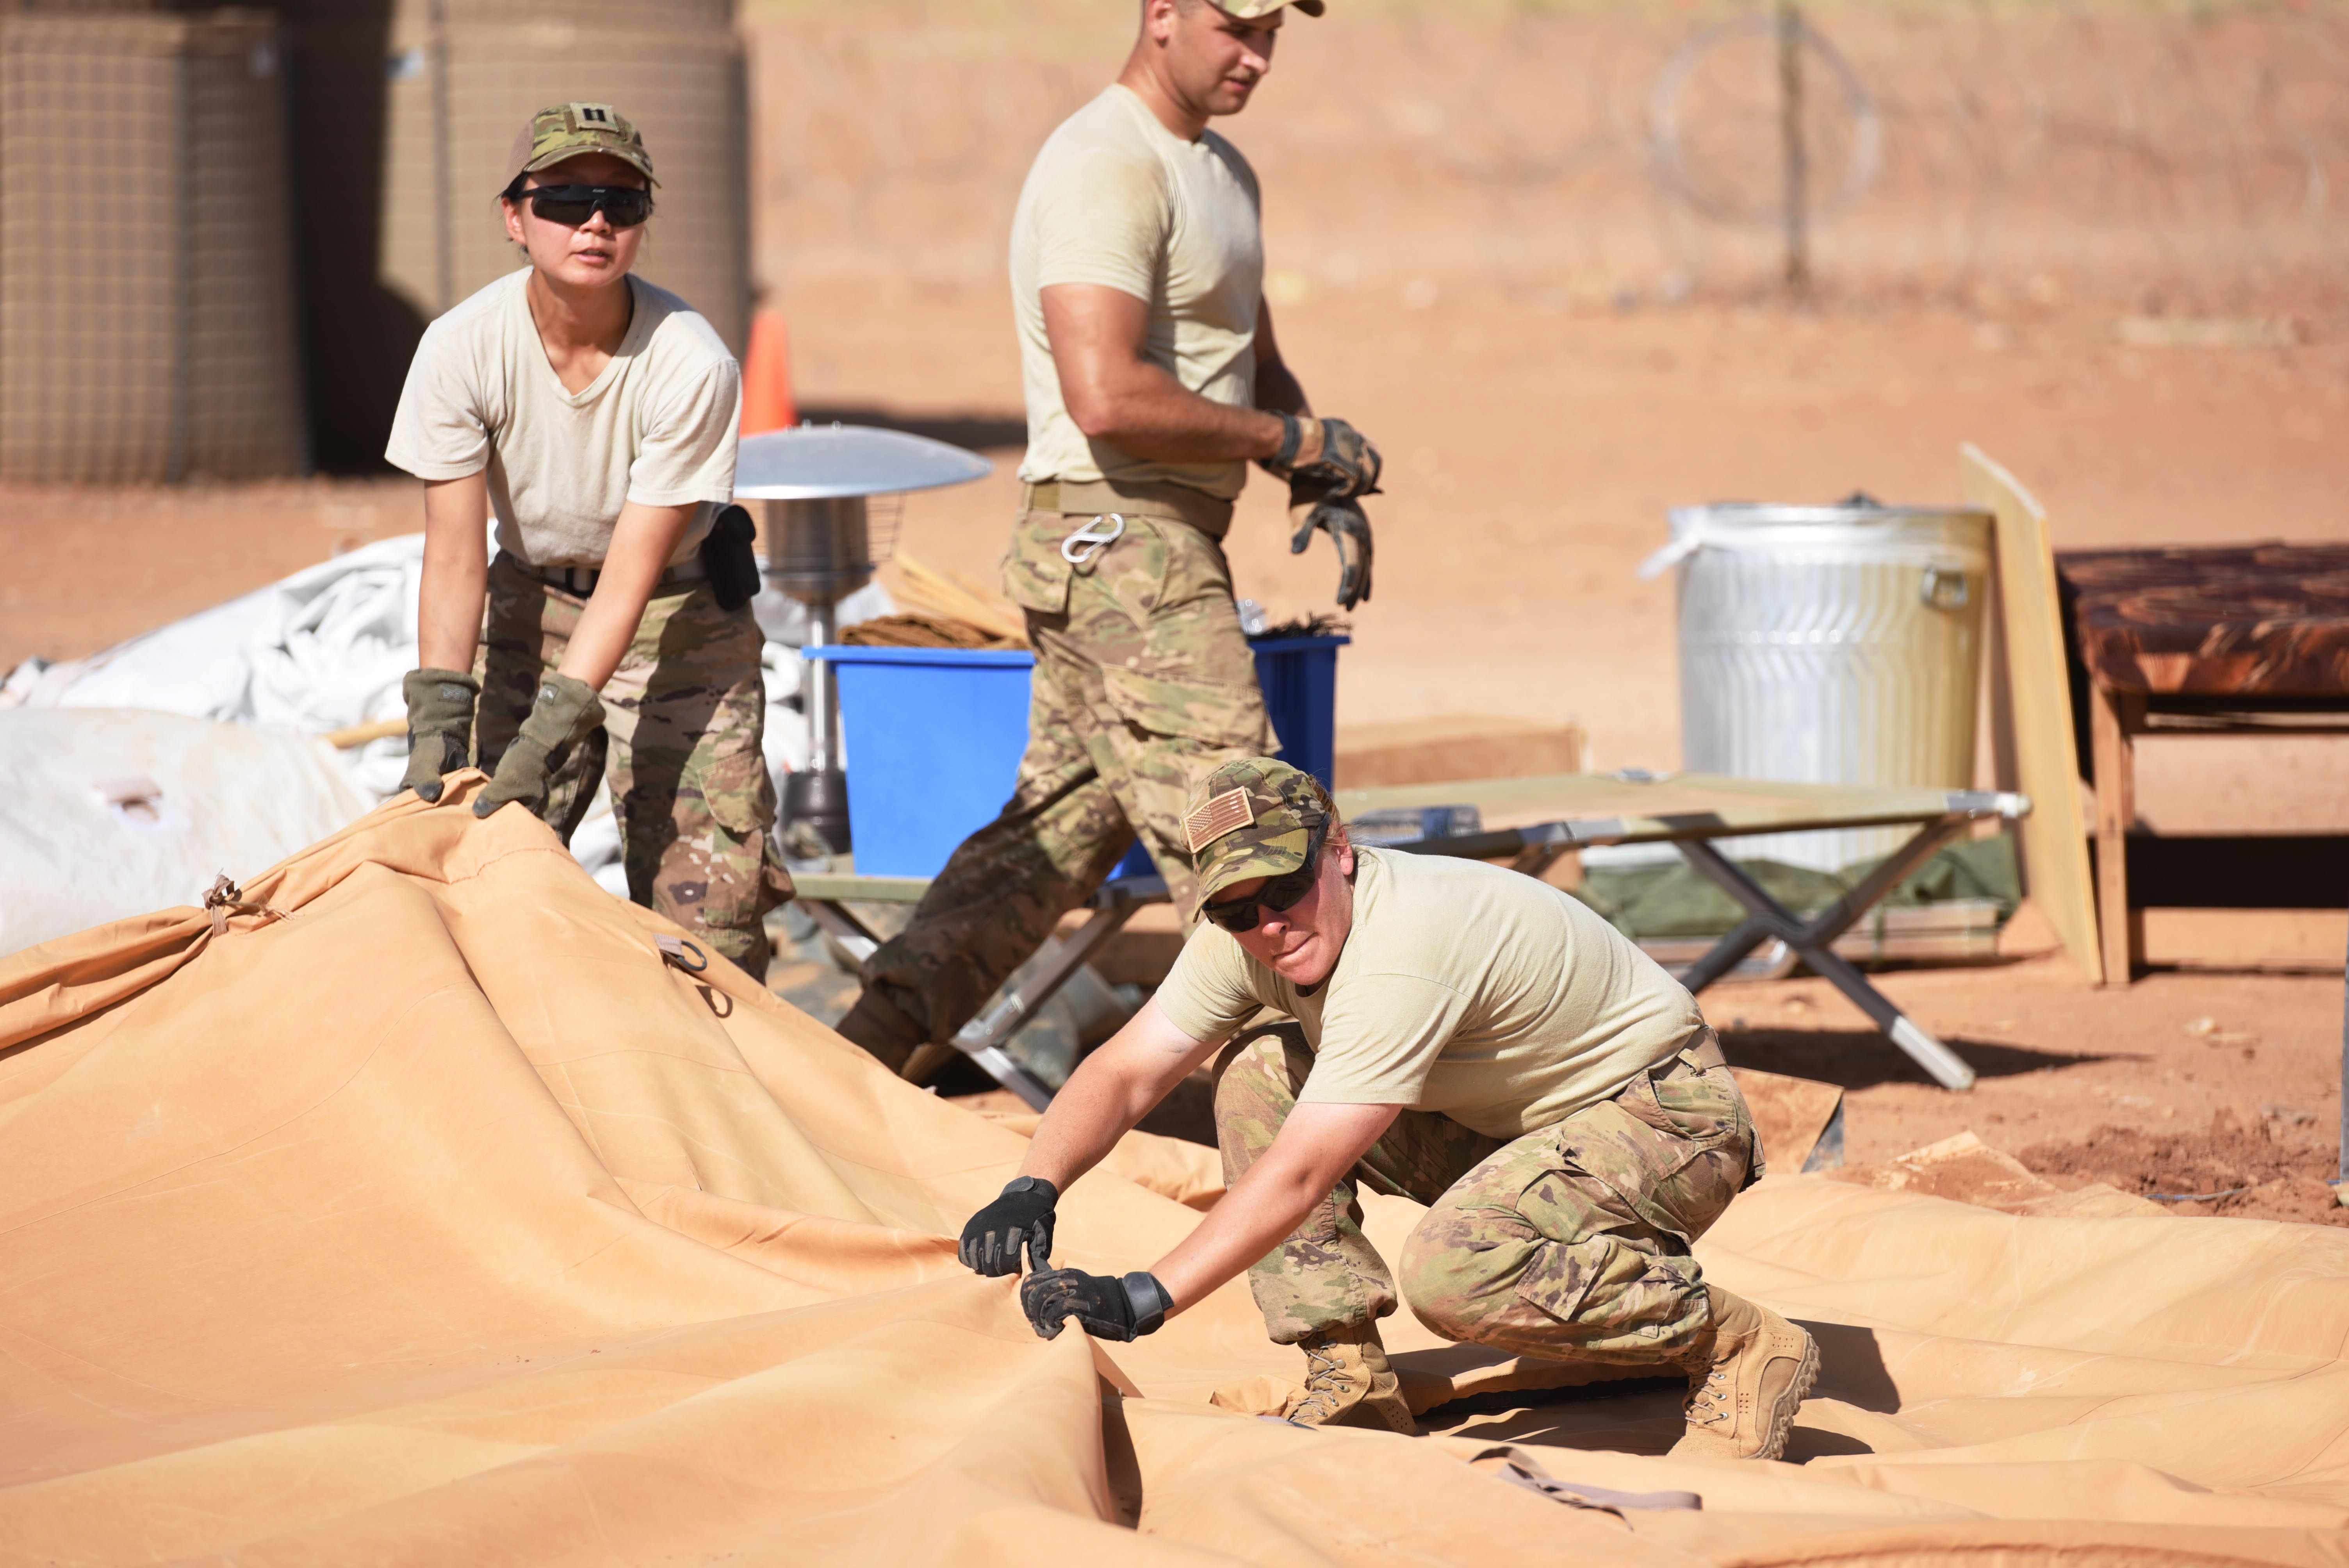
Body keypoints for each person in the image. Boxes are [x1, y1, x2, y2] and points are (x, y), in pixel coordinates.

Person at [956, 759, 1821, 1461]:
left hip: (1668, 1122)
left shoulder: (1401, 945)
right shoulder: (1250, 938)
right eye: (1234, 908)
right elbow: (1126, 1070)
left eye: (1283, 887)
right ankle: (1353, 1380)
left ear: (1339, 850)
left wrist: (1144, 1296)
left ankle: (1738, 1342)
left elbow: (1300, 1174)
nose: (1267, 925)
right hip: (1519, 1135)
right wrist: (1034, 1185)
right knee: (1259, 1069)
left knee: (1455, 1271)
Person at [835, 0, 1381, 1074]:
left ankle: (847, 1067)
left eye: (1273, 32)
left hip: (1156, 540)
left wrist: (1309, 465)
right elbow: (1105, 395)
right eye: (1236, 27)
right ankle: (1319, 1132)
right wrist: (1286, 437)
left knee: (1044, 847)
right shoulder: (1105, 164)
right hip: (1120, 541)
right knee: (1257, 842)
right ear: (1162, 13)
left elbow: (1252, 362)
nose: (1257, 56)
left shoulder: (1221, 172)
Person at [387, 101, 790, 980]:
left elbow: (632, 575)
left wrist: (554, 728)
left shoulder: (692, 362)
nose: (595, 221)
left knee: (708, 924)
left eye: (622, 202)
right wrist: (439, 717)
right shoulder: (459, 348)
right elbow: (453, 555)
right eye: (566, 199)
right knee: (486, 882)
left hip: (679, 620)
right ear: (515, 217)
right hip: (529, 603)